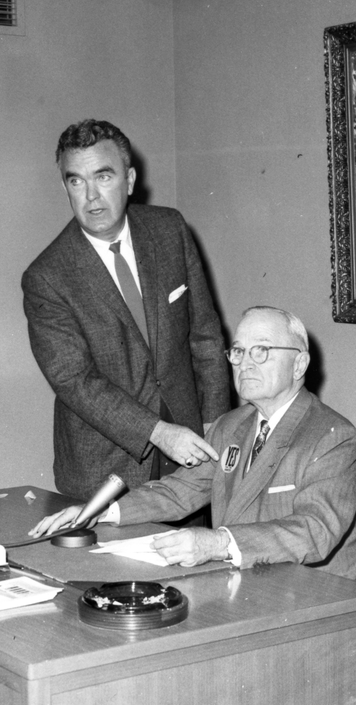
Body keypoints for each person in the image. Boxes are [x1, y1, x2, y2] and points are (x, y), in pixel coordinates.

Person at [30, 306, 356, 583]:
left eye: (262, 350)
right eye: (238, 351)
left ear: (299, 363)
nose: (245, 363)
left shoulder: (332, 437)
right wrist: (101, 513)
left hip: (319, 598)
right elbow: (181, 491)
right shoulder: (232, 425)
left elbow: (314, 531)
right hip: (249, 583)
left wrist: (218, 542)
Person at [22, 119, 230, 500]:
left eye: (103, 177)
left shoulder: (170, 230)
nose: (91, 197)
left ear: (130, 180)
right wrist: (158, 432)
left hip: (193, 452)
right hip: (106, 468)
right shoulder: (47, 277)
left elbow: (205, 335)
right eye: (76, 181)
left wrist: (215, 425)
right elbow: (74, 381)